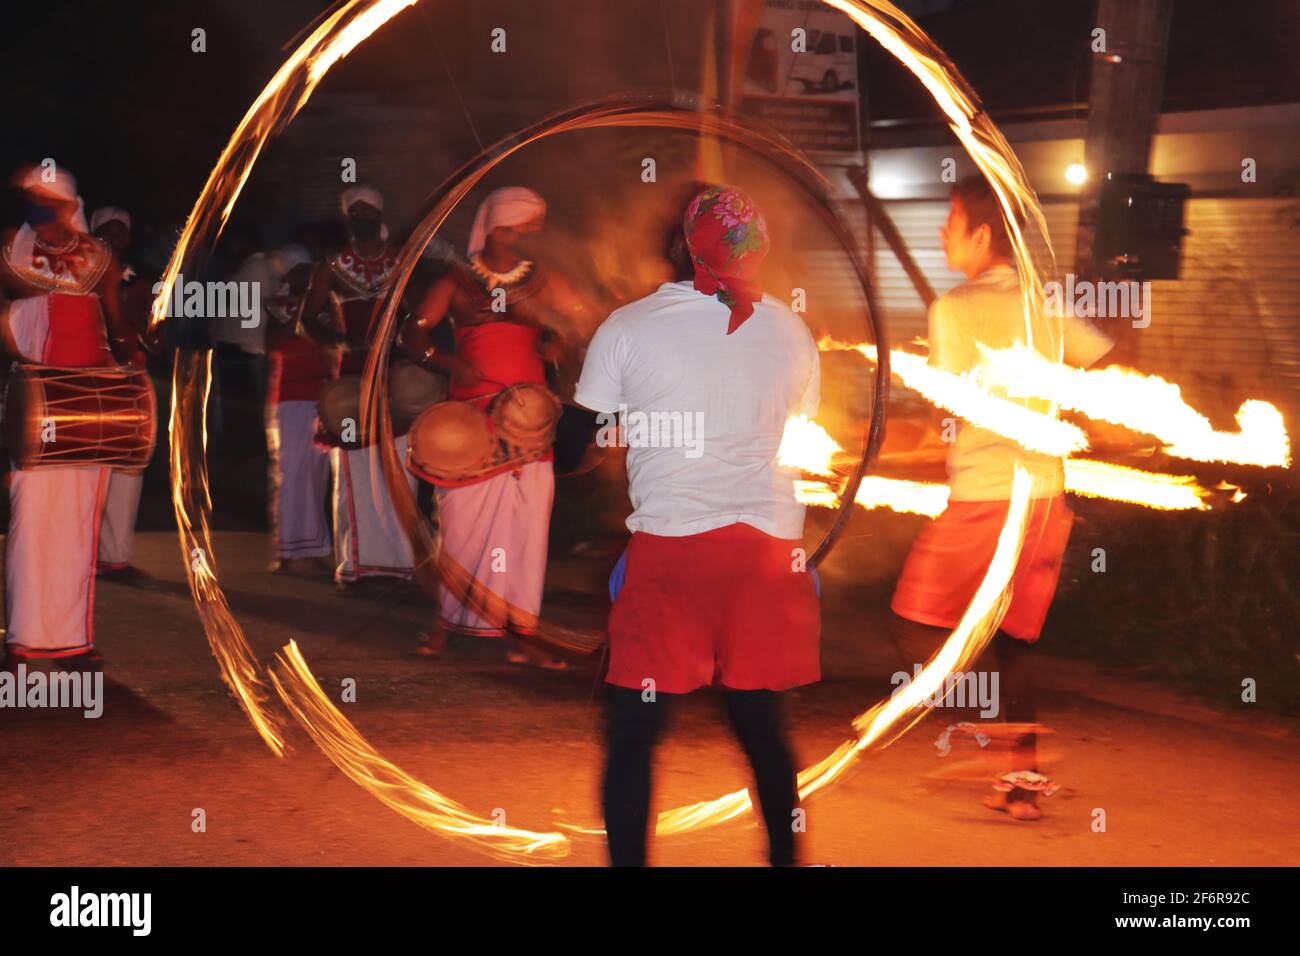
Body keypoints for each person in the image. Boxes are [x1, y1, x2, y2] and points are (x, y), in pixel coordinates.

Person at [574, 185, 821, 866]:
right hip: (769, 554)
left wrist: (612, 436)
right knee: (764, 728)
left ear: (683, 245)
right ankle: (785, 861)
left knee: (634, 731)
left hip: (675, 550)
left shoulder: (629, 326)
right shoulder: (793, 330)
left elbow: (574, 446)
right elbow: (799, 438)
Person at [888, 176, 1115, 821]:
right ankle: (1020, 786)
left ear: (982, 236)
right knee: (1013, 639)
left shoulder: (954, 308)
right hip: (1045, 497)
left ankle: (976, 737)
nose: (941, 234)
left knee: (915, 626)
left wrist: (922, 446)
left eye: (951, 223)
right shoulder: (1042, 303)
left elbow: (951, 410)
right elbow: (1100, 366)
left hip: (985, 498)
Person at [403, 186, 587, 667]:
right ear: (495, 228)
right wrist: (445, 360)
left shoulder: (545, 280)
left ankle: (521, 630)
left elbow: (577, 322)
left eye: (531, 228)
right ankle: (448, 622)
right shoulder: (458, 280)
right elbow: (413, 331)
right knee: (462, 526)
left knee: (525, 529)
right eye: (520, 228)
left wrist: (556, 343)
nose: (529, 237)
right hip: (468, 424)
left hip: (528, 422)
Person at [0, 166, 136, 666]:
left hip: (87, 401)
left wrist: (127, 379)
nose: (35, 204)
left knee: (79, 523)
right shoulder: (11, 247)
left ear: (66, 203)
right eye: (30, 197)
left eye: (44, 197)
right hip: (38, 404)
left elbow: (117, 327)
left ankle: (70, 638)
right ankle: (25, 636)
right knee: (32, 519)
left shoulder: (100, 258)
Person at [298, 185, 417, 587]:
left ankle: (401, 564)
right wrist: (339, 340)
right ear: (348, 216)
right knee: (354, 470)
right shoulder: (332, 266)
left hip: (398, 379)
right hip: (350, 384)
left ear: (380, 214)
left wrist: (409, 347)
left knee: (400, 469)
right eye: (356, 211)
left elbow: (420, 315)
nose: (363, 216)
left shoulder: (403, 258)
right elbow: (307, 320)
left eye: (369, 210)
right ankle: (357, 566)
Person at [90, 206, 155, 582]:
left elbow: (153, 330)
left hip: (131, 377)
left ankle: (115, 557)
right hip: (89, 377)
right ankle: (85, 552)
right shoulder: (78, 275)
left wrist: (152, 330)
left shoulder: (141, 280)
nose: (112, 238)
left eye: (119, 231)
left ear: (129, 238)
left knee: (128, 467)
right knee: (89, 467)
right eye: (104, 231)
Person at [264, 245, 332, 574]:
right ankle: (287, 552)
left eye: (309, 269)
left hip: (323, 398)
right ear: (288, 274)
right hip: (290, 401)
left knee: (317, 475)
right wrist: (300, 313)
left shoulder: (325, 305)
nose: (306, 275)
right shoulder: (279, 305)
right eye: (300, 270)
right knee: (292, 475)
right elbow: (272, 345)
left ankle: (313, 546)